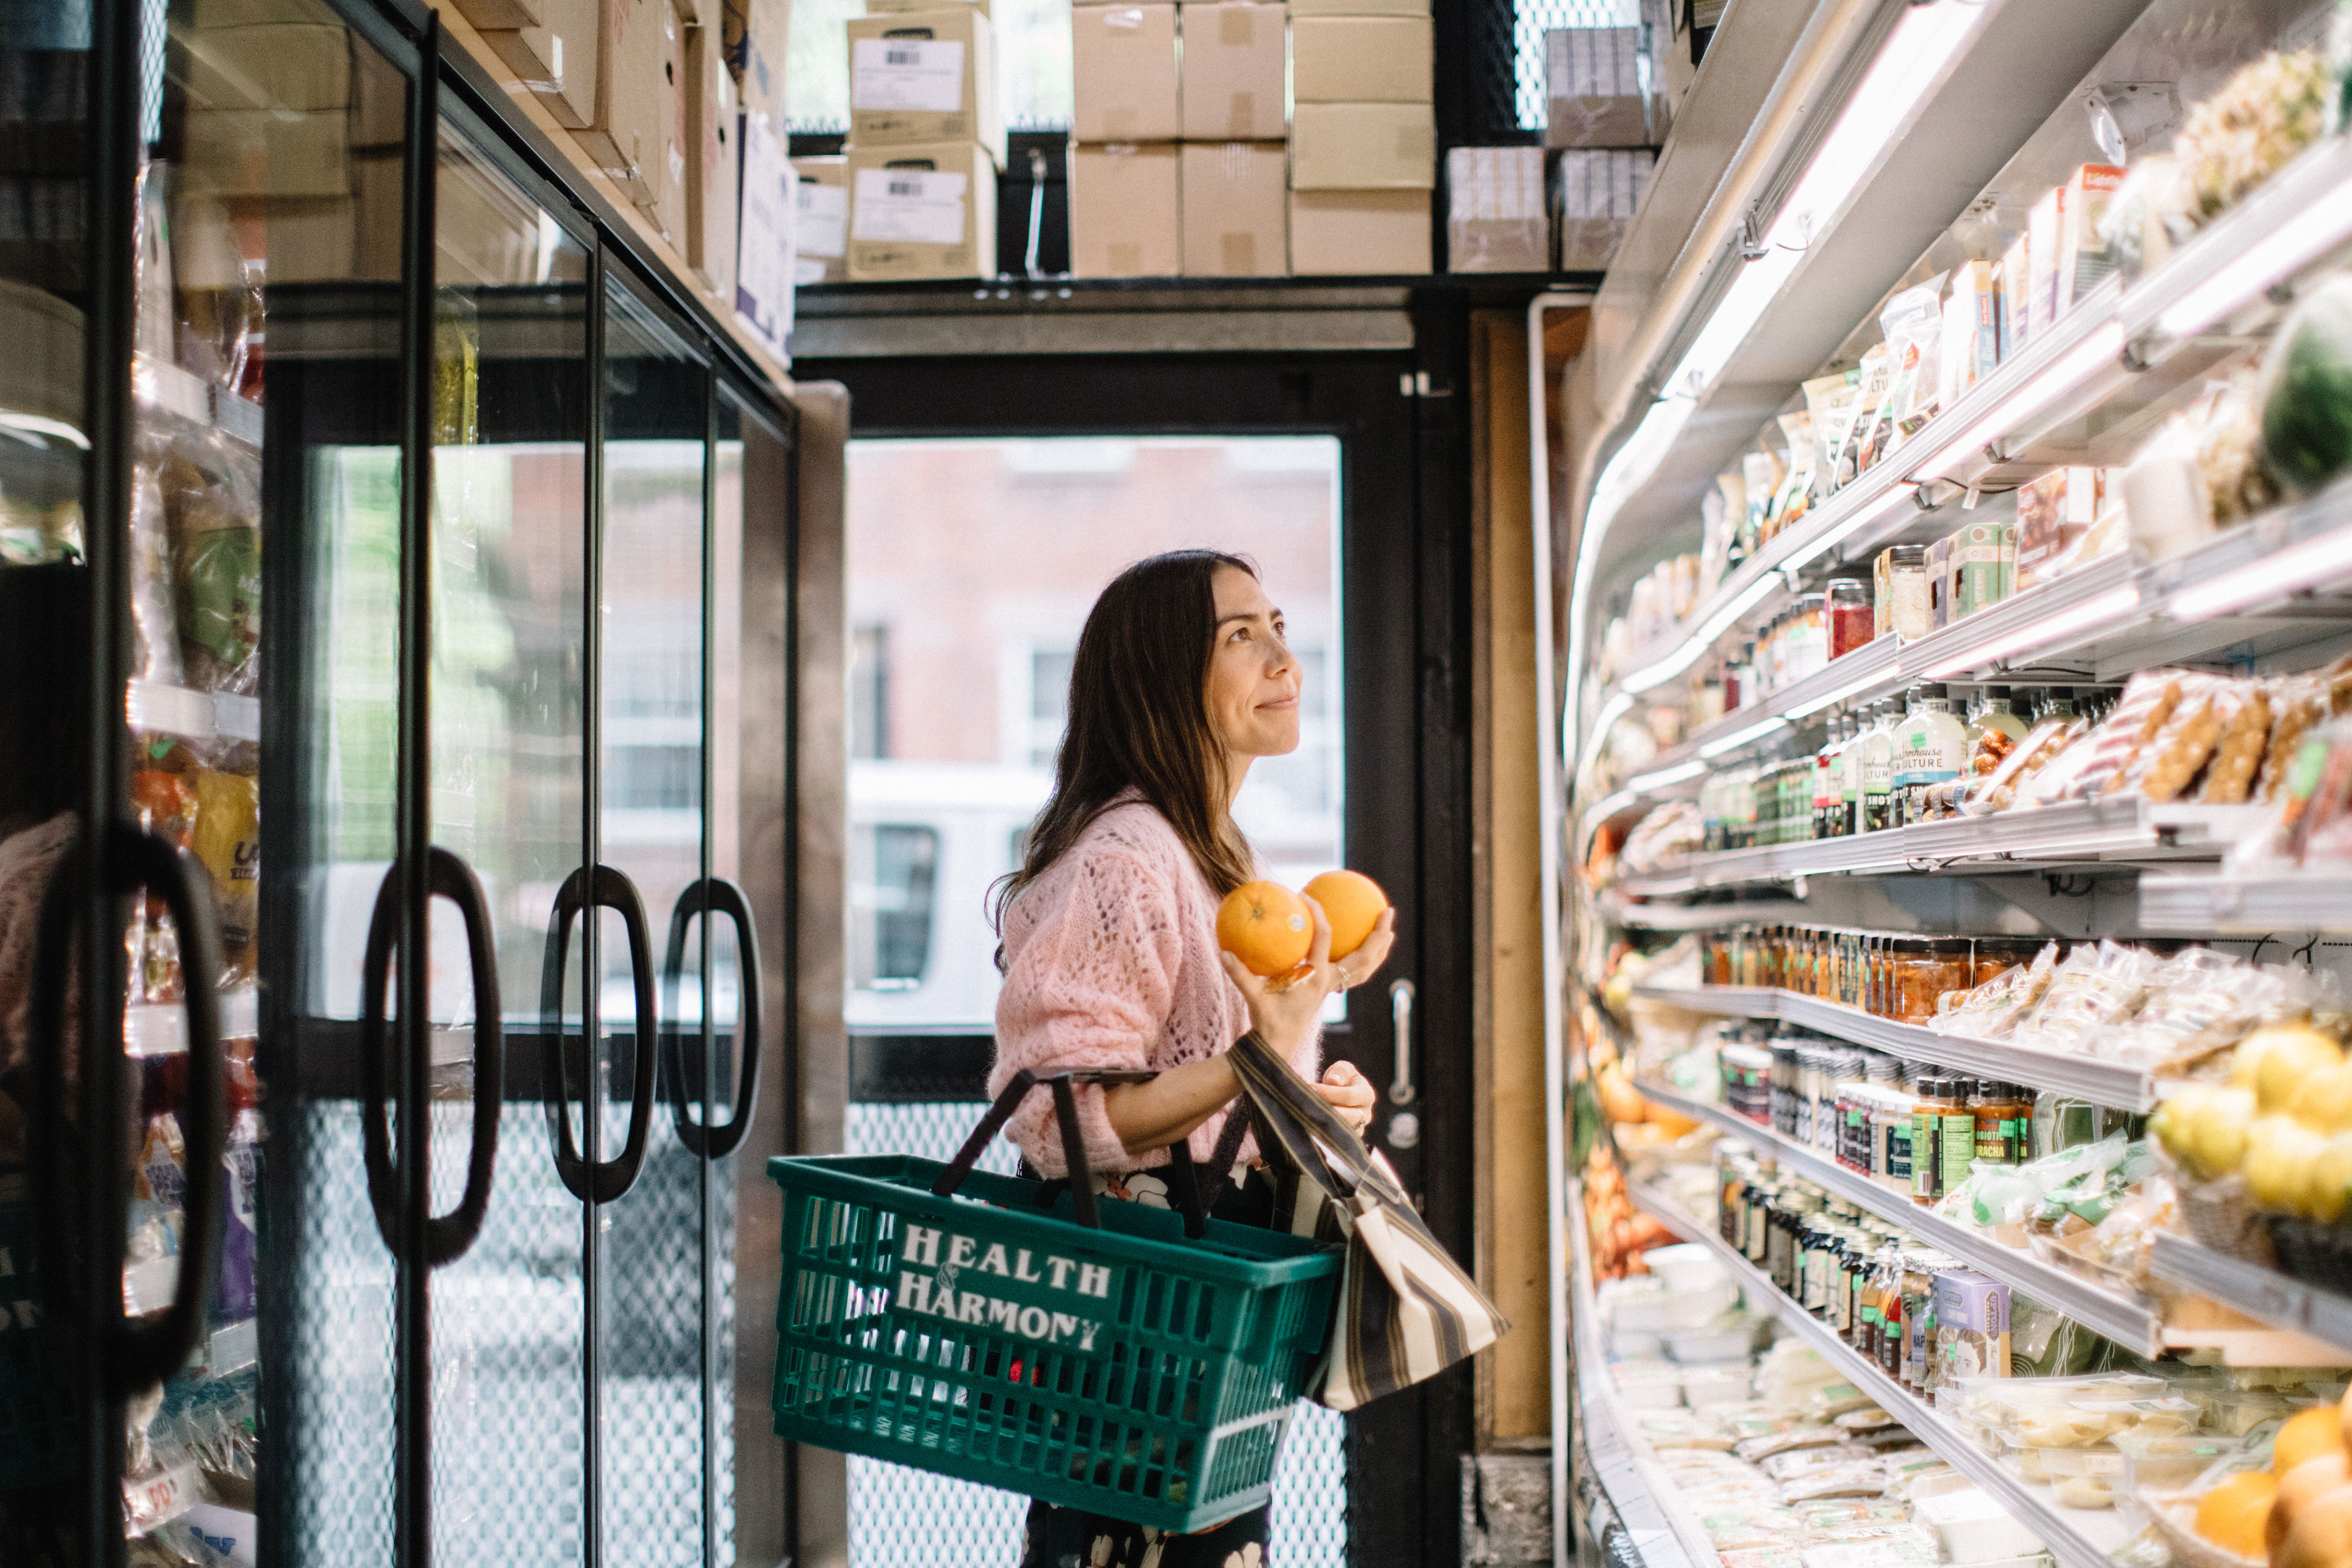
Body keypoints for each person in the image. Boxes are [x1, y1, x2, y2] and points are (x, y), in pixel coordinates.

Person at [990, 548, 1394, 1568]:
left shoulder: (1211, 852)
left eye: (1280, 628)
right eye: (1240, 637)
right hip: (1130, 1332)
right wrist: (1263, 1066)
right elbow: (1059, 1121)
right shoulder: (1125, 860)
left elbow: (1217, 1085)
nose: (1284, 661)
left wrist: (1297, 1076)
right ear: (1164, 678)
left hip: (1195, 1325)